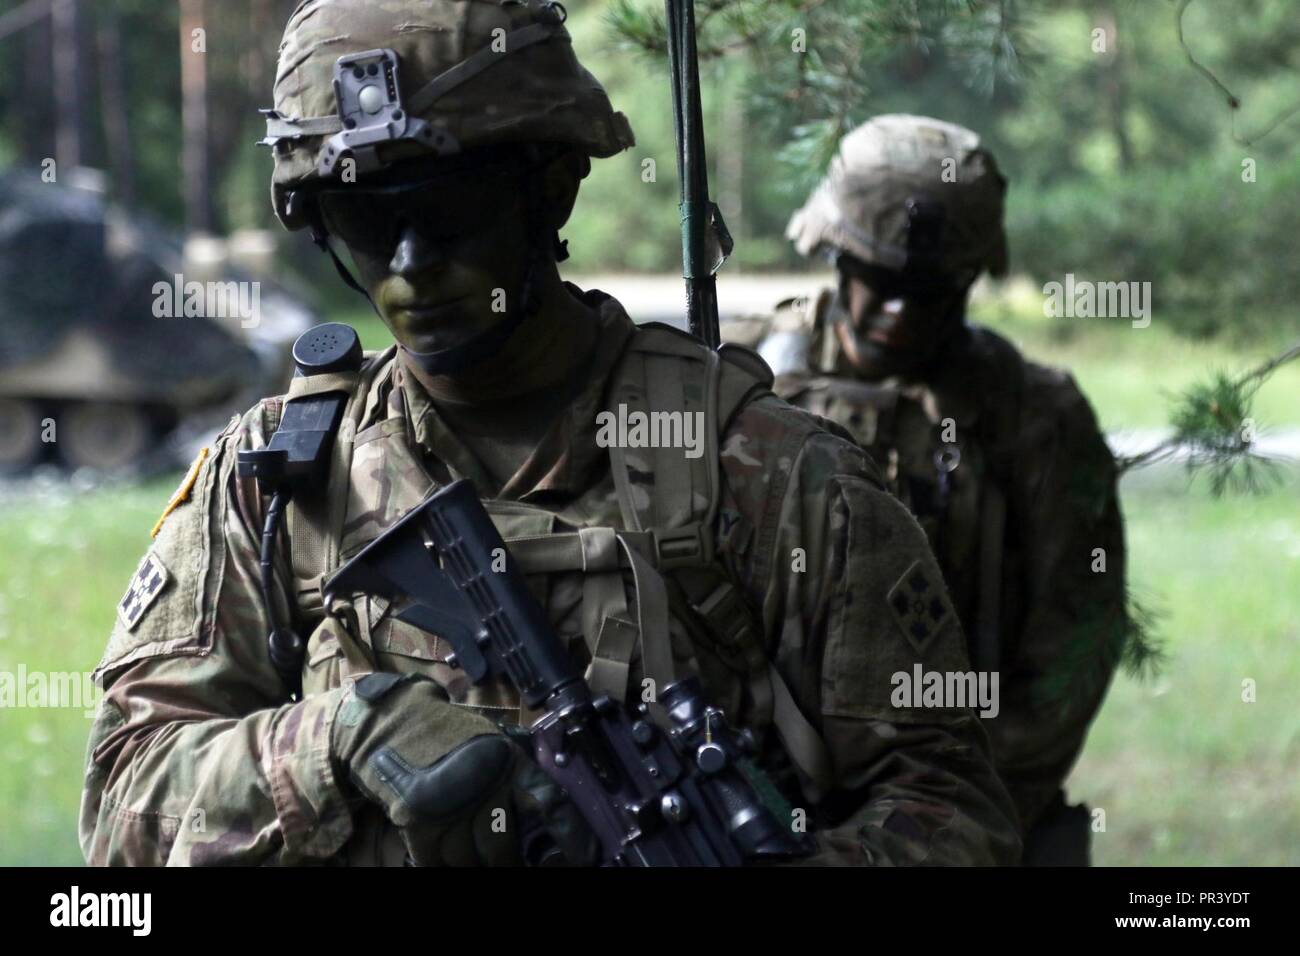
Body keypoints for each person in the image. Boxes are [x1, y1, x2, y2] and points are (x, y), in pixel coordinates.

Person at [79, 4, 1018, 867]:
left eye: (452, 211)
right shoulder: (282, 477)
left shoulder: (768, 471)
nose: (412, 267)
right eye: (366, 217)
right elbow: (125, 802)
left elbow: (950, 807)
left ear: (550, 189)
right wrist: (336, 739)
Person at [737, 114, 1128, 865]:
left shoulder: (1034, 417)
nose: (902, 313)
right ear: (835, 254)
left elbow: (1077, 640)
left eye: (933, 291)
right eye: (882, 283)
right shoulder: (742, 382)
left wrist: (955, 823)